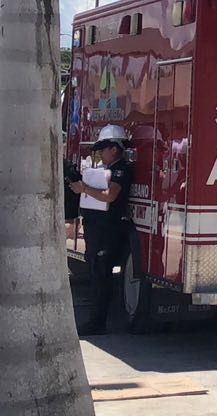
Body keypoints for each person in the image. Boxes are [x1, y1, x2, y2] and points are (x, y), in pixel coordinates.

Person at [71, 125, 134, 336]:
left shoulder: (121, 169)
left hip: (108, 229)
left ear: (114, 149)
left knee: (102, 276)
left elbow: (109, 196)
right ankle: (97, 319)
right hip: (98, 228)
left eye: (103, 149)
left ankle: (98, 322)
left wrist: (85, 189)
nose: (100, 153)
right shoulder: (109, 168)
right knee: (96, 273)